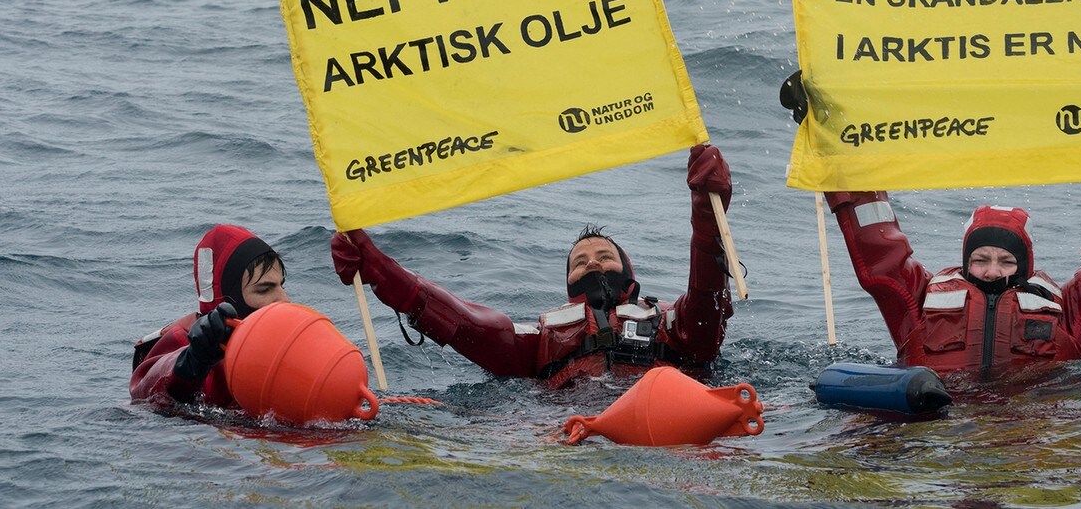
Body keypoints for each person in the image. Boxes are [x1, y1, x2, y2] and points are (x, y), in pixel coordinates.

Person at [781, 72, 1081, 380]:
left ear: (1025, 264)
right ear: (965, 262)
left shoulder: (1072, 311)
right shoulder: (919, 302)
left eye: (1005, 260)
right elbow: (875, 246)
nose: (992, 270)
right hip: (939, 434)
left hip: (1035, 441)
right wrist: (830, 128)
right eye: (980, 259)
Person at [329, 143, 736, 388]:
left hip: (675, 415)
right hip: (565, 428)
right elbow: (465, 324)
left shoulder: (673, 324)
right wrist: (377, 269)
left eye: (605, 257)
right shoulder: (540, 339)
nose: (592, 262)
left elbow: (706, 293)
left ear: (630, 274)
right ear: (568, 286)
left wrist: (706, 209)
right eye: (580, 262)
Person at [129, 224, 292, 409]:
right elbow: (146, 391)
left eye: (282, 286)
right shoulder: (186, 344)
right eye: (265, 289)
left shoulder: (281, 345)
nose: (285, 299)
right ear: (228, 300)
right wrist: (193, 362)